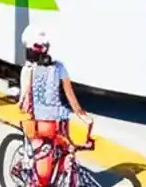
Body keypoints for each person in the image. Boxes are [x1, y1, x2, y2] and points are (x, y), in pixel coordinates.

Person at [17, 26, 87, 186]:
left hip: (43, 122)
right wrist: (80, 112)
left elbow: (24, 100)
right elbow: (70, 96)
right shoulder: (57, 67)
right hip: (50, 122)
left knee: (47, 159)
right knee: (45, 163)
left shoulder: (28, 70)